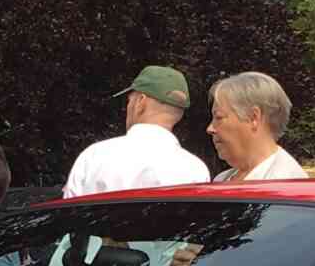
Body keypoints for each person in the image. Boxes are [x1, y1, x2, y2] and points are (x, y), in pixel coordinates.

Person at [65, 65, 212, 196]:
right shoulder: (195, 169)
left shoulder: (94, 156)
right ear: (179, 114)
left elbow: (69, 216)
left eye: (129, 100)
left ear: (141, 102)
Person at [207, 72, 306, 182]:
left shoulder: (284, 184)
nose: (210, 129)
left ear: (253, 117)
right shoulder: (222, 179)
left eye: (219, 117)